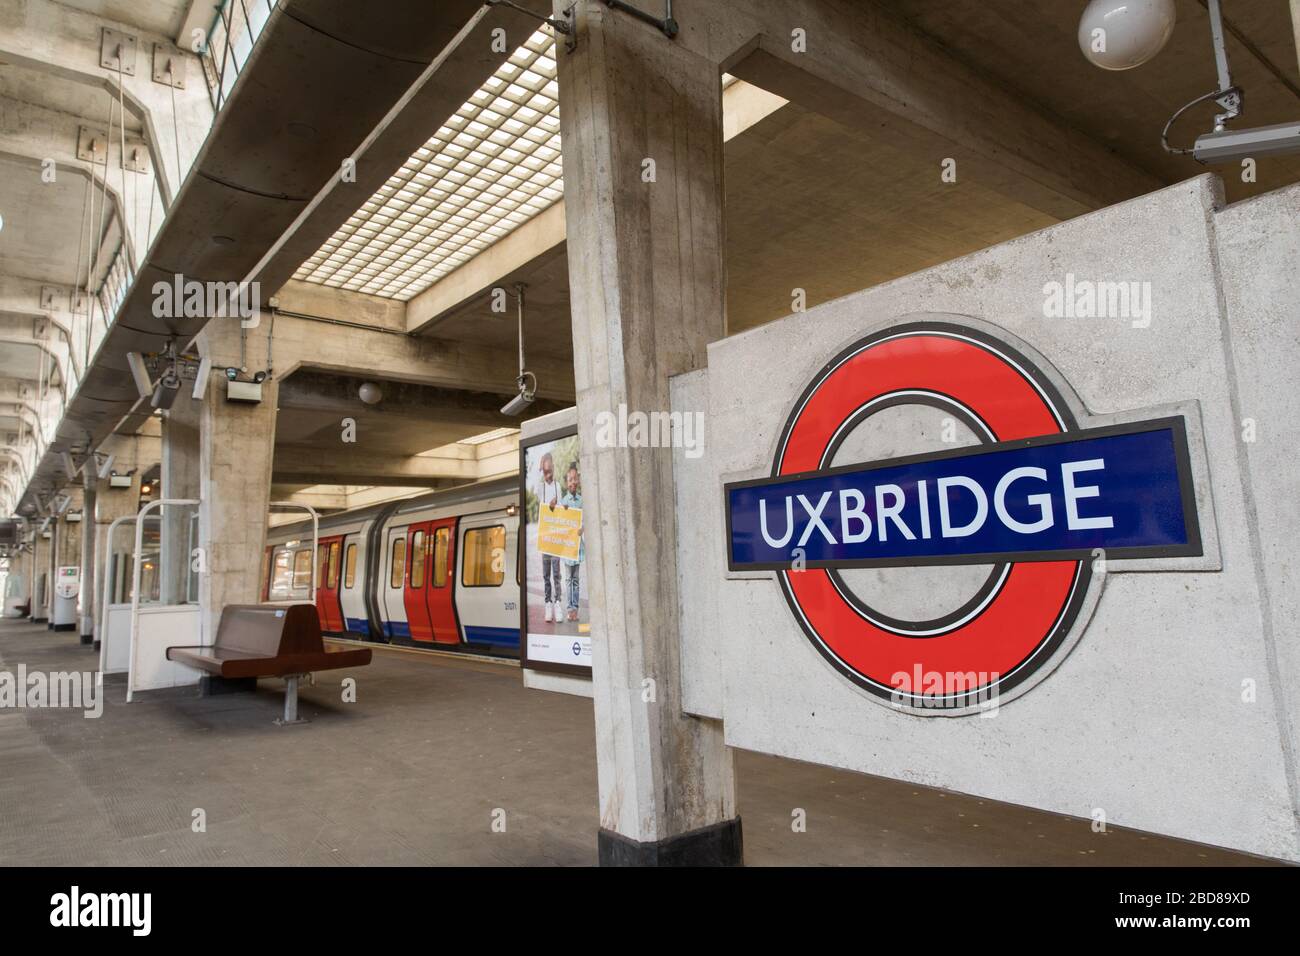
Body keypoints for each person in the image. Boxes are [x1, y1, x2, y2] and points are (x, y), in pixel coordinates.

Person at [533, 451, 562, 623]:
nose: (547, 474)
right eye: (545, 471)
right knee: (546, 574)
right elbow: (543, 506)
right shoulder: (540, 487)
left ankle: (558, 602)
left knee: (556, 573)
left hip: (556, 536)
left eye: (549, 470)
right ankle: (548, 603)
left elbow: (560, 511)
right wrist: (540, 465)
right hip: (545, 537)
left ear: (553, 468)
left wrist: (557, 507)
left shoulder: (558, 486)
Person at [559, 462, 584, 622]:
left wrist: (583, 528)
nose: (573, 482)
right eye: (570, 479)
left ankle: (576, 608)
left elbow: (584, 519)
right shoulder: (564, 502)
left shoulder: (581, 501)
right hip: (567, 549)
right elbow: (558, 524)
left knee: (576, 580)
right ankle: (570, 609)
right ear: (566, 483)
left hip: (578, 547)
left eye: (575, 479)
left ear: (578, 481)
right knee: (568, 580)